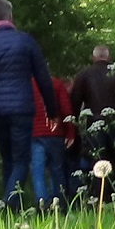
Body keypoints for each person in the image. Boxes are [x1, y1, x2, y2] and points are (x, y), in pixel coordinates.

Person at [0, 0, 58, 210]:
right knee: (21, 161)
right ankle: (9, 203)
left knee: (8, 160)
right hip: (22, 110)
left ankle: (13, 212)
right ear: (10, 15)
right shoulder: (26, 41)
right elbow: (44, 79)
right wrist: (52, 111)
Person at [70, 44, 115, 201]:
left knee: (98, 163)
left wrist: (74, 126)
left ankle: (100, 198)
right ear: (109, 57)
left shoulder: (84, 75)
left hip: (94, 124)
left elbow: (75, 102)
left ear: (93, 58)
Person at [30, 75, 75, 209]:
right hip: (55, 133)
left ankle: (42, 204)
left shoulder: (27, 85)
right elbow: (66, 109)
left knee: (38, 172)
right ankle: (59, 205)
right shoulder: (57, 84)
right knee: (57, 170)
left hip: (34, 134)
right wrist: (71, 132)